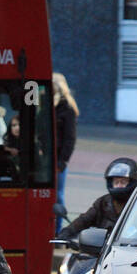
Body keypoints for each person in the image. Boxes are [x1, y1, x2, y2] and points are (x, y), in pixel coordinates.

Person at [55, 157, 137, 240]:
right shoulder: (102, 202)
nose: (119, 185)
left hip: (130, 249)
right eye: (116, 182)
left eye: (123, 182)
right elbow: (85, 219)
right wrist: (68, 231)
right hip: (101, 250)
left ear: (132, 182)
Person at [52, 72, 78, 234]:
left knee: (58, 196)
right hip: (48, 159)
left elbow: (70, 138)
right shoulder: (49, 104)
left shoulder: (66, 108)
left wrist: (62, 161)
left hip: (58, 160)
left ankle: (58, 229)